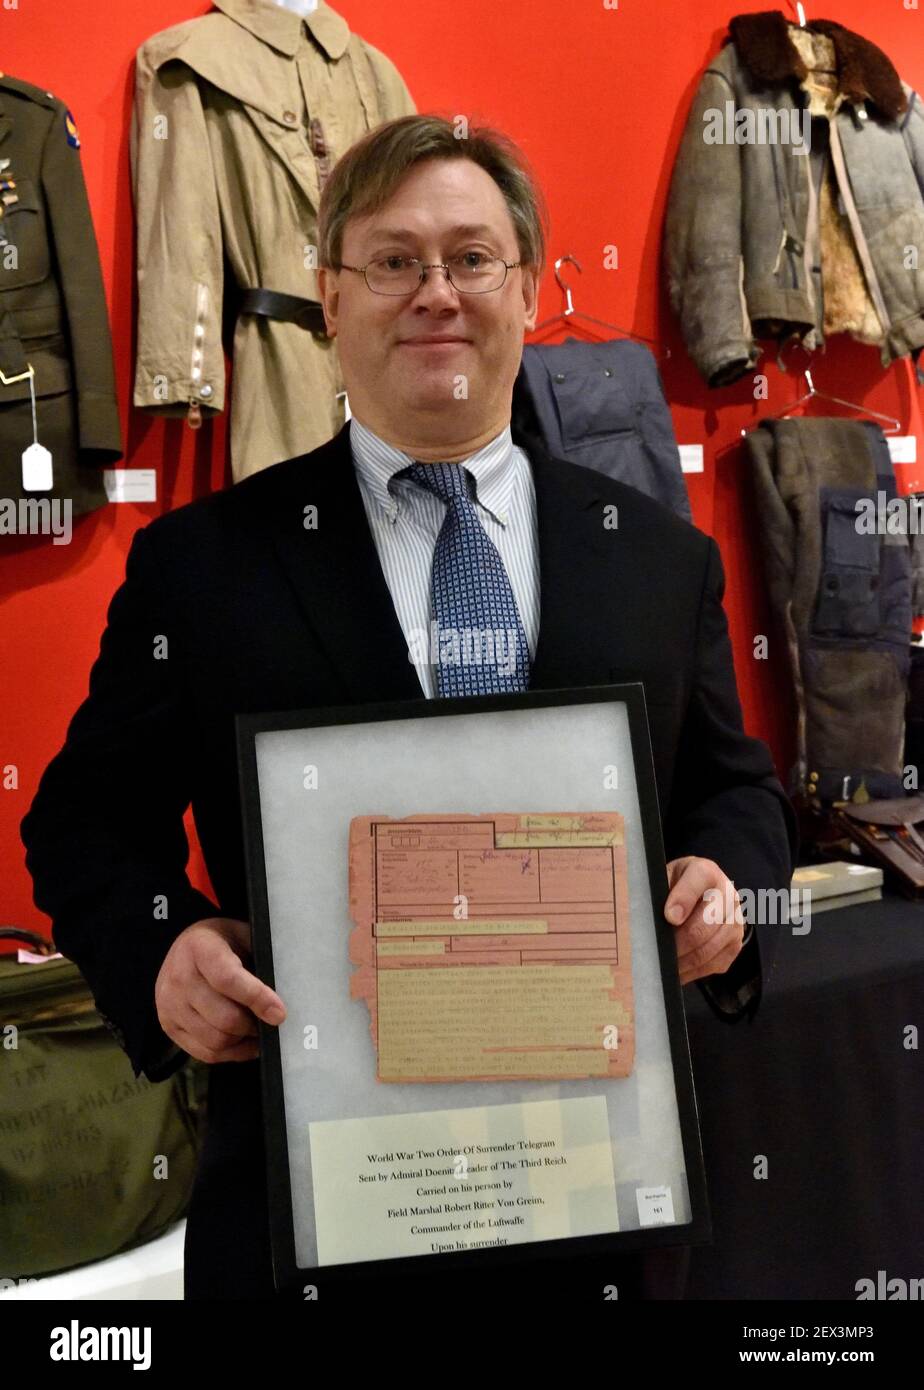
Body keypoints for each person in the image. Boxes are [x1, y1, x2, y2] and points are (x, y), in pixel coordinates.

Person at [21, 114, 797, 1301]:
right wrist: (165, 941)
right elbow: (81, 823)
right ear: (331, 298)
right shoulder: (204, 565)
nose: (437, 292)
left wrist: (724, 888)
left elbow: (732, 790)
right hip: (321, 1201)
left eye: (472, 258)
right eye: (394, 261)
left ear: (528, 291)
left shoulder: (650, 553)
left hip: (596, 1191)